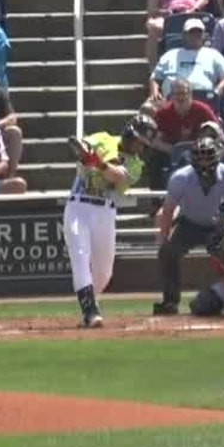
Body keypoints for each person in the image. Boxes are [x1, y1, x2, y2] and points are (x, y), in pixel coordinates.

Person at [63, 115, 151, 328]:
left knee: (104, 272)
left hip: (104, 211)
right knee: (80, 255)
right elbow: (81, 146)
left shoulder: (136, 165)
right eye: (139, 140)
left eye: (144, 143)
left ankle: (91, 301)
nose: (140, 146)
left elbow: (117, 177)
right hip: (78, 206)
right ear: (130, 134)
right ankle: (90, 311)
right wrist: (85, 152)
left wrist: (97, 162)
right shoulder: (103, 138)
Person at [152, 137, 224, 315]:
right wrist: (164, 237)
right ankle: (170, 301)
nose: (204, 163)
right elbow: (168, 210)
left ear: (217, 157)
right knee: (167, 252)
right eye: (200, 158)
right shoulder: (180, 178)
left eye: (208, 158)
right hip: (189, 224)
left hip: (221, 225)